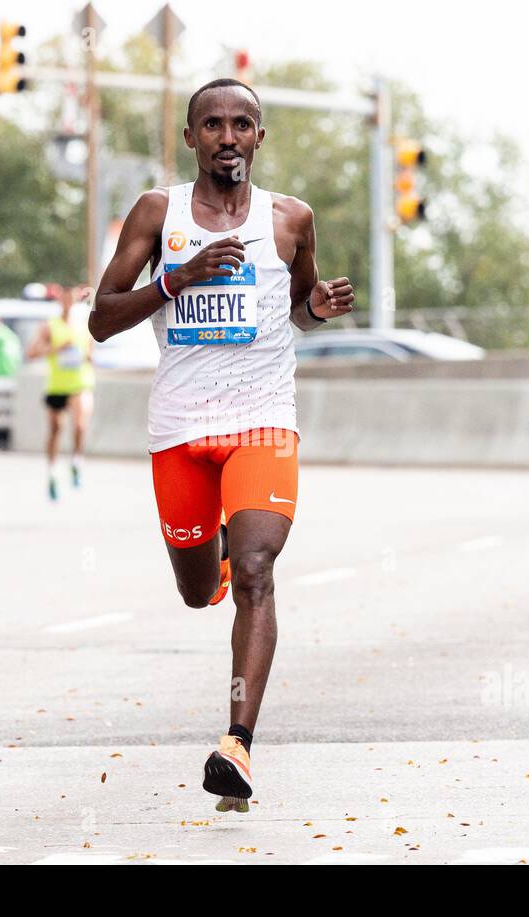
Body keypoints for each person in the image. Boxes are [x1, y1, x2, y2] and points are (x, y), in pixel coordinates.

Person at [90, 78, 354, 811]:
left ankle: (236, 743)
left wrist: (318, 308)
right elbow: (101, 320)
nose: (227, 136)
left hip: (264, 419)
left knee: (259, 573)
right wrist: (177, 279)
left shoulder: (291, 218)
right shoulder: (157, 213)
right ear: (191, 137)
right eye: (213, 124)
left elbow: (297, 311)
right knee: (195, 590)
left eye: (242, 124)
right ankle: (220, 554)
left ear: (260, 137)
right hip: (179, 429)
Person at [26, 286, 95, 501]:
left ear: (74, 303)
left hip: (80, 382)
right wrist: (56, 349)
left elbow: (90, 353)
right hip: (57, 384)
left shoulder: (83, 326)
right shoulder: (49, 326)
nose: (66, 305)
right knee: (56, 429)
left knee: (80, 424)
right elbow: (32, 352)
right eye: (63, 301)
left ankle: (76, 461)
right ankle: (52, 472)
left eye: (70, 301)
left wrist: (85, 356)